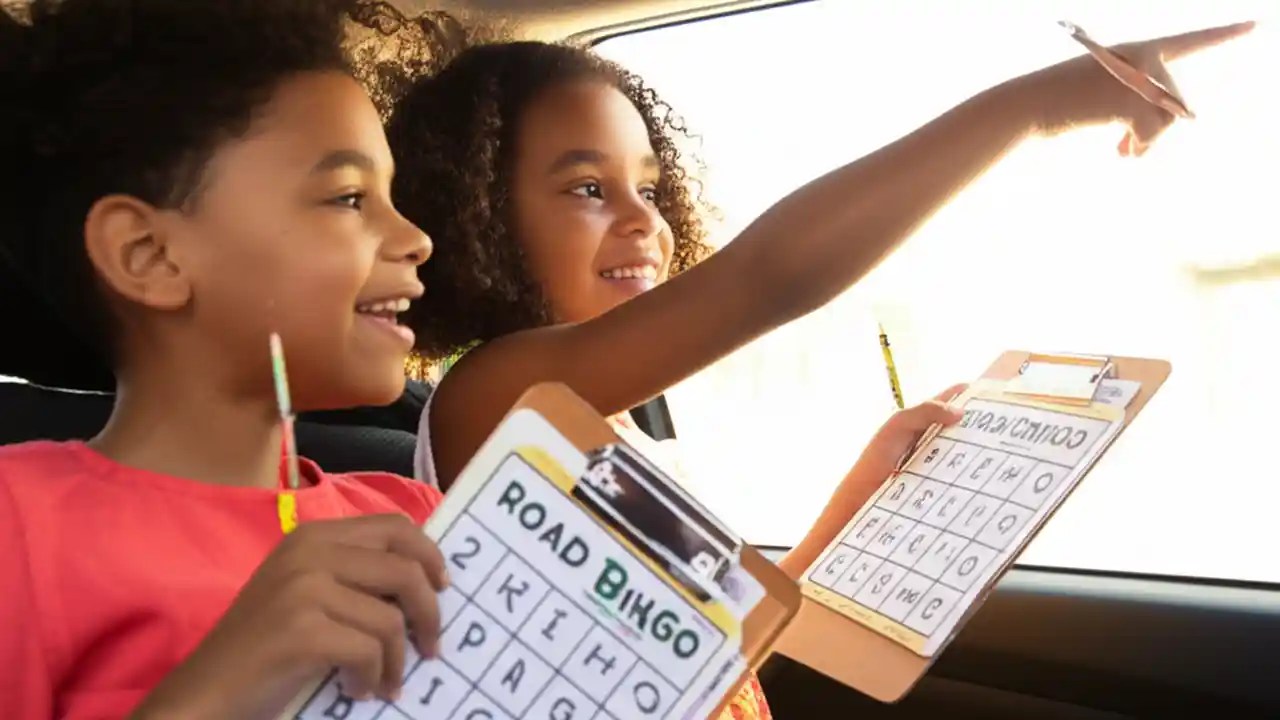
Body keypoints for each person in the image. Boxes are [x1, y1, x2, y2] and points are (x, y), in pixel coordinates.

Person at [386, 28, 1249, 717]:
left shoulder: (608, 427)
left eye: (649, 185)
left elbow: (718, 633)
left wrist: (860, 492)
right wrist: (1037, 106)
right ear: (479, 217)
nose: (641, 220)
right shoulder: (493, 394)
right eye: (586, 189)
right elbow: (773, 276)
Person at [0, 1, 451, 717]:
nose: (416, 237)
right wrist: (225, 681)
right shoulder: (19, 533)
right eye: (347, 197)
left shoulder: (420, 524)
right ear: (149, 255)